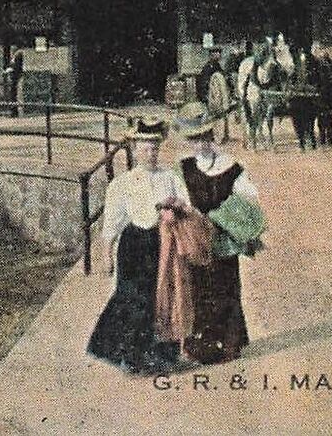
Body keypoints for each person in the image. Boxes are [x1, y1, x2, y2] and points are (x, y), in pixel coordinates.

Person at [88, 117, 192, 374]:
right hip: (134, 245)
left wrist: (176, 210)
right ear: (134, 150)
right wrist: (107, 255)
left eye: (155, 148)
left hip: (164, 242)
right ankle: (132, 355)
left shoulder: (170, 177)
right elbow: (112, 223)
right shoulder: (122, 183)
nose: (150, 153)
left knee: (163, 296)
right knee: (134, 296)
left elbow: (187, 205)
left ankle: (163, 354)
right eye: (145, 148)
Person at [173, 104, 261, 364]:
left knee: (227, 286)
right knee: (200, 289)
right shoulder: (184, 169)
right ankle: (201, 344)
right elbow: (179, 199)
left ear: (211, 136)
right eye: (194, 140)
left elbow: (249, 198)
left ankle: (230, 341)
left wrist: (220, 217)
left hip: (224, 240)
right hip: (198, 240)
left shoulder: (231, 167)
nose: (199, 144)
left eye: (203, 138)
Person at [309, 41, 332, 146]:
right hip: (319, 91)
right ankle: (322, 137)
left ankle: (329, 138)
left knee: (329, 117)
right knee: (320, 118)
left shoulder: (331, 63)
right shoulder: (316, 57)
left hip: (329, 92)